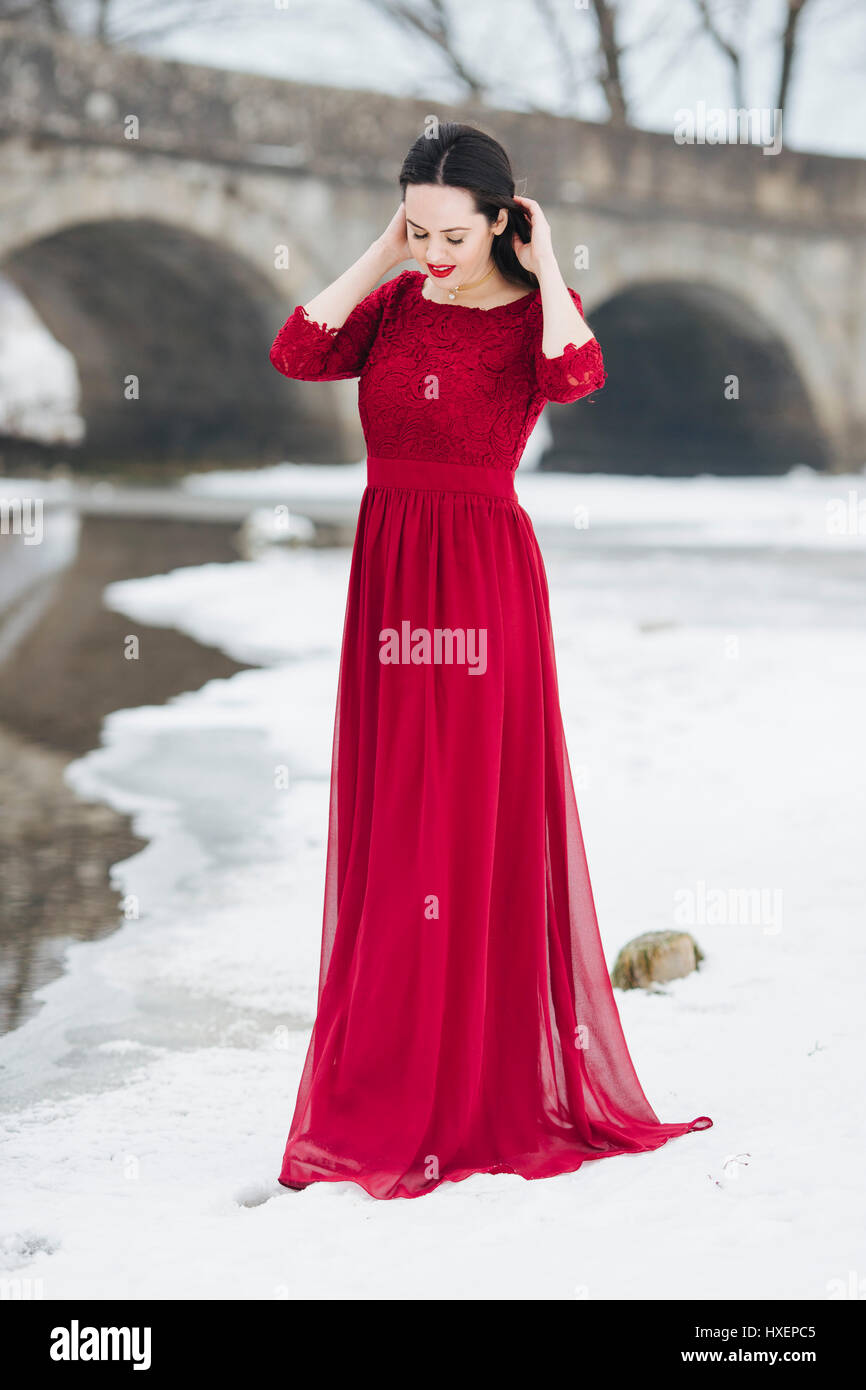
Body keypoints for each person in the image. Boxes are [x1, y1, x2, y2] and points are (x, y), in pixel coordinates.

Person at [268, 121, 712, 1200]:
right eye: (416, 229)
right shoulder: (394, 302)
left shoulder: (527, 319)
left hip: (477, 587)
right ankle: (387, 1080)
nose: (432, 252)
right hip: (387, 580)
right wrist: (383, 252)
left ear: (501, 219)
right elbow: (297, 351)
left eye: (449, 233)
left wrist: (545, 263)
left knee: (458, 822)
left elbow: (576, 372)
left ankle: (472, 1089)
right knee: (392, 827)